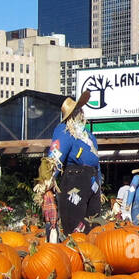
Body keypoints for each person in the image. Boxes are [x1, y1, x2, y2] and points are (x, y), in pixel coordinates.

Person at [46, 95, 103, 236]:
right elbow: (55, 156)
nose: (81, 112)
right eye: (77, 110)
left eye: (80, 109)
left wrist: (99, 185)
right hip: (82, 180)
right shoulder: (68, 131)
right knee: (82, 225)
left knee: (87, 224)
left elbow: (96, 161)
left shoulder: (86, 135)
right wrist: (47, 180)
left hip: (85, 180)